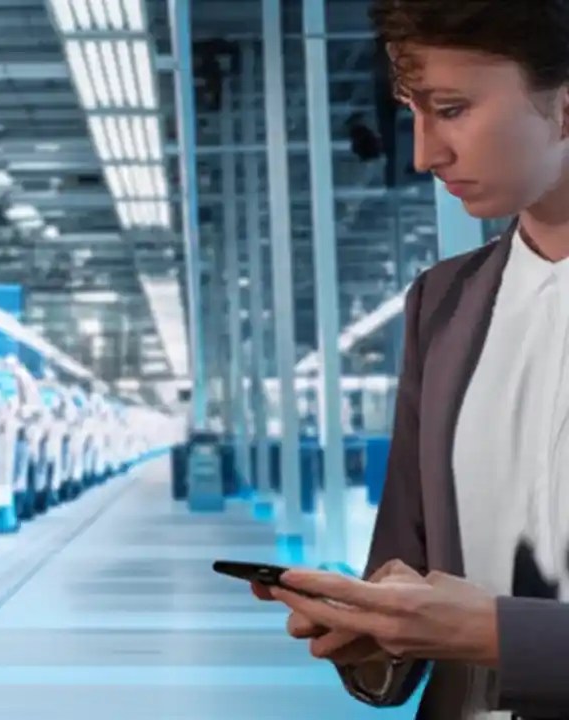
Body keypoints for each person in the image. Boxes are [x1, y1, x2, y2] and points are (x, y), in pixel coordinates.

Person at [253, 1, 569, 718]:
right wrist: (377, 631)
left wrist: (506, 637)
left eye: (452, 109)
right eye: (414, 112)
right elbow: (409, 559)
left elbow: (487, 630)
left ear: (563, 109)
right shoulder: (442, 303)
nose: (426, 154)